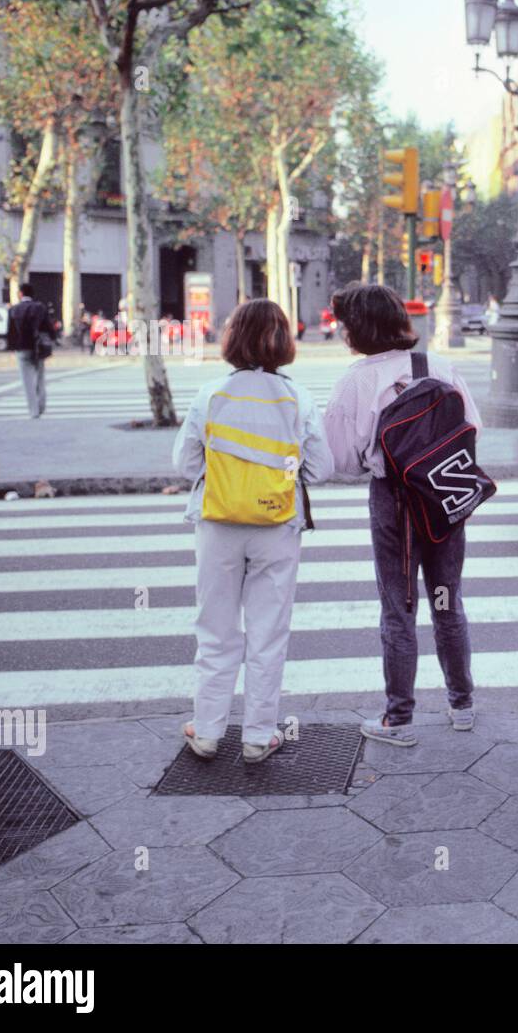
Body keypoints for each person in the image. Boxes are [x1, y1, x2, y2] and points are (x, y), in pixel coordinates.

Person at [172, 299, 334, 762]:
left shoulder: (211, 394)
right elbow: (321, 469)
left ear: (232, 338)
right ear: (283, 341)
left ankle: (206, 731)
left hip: (218, 524)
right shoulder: (297, 397)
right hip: (277, 525)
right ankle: (258, 737)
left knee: (216, 629)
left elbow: (185, 464)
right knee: (268, 632)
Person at [323, 283, 482, 747]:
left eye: (343, 325)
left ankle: (399, 716)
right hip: (446, 492)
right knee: (447, 599)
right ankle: (462, 704)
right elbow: (473, 426)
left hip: (393, 500)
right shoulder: (439, 366)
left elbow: (341, 459)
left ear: (358, 329)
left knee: (398, 607)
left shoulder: (357, 380)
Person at [7, 283, 58, 418]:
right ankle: (41, 405)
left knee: (27, 381)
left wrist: (12, 347)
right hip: (38, 347)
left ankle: (33, 411)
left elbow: (10, 333)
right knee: (40, 377)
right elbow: (49, 327)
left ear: (21, 294)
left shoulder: (14, 309)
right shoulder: (40, 307)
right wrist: (53, 338)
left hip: (22, 348)